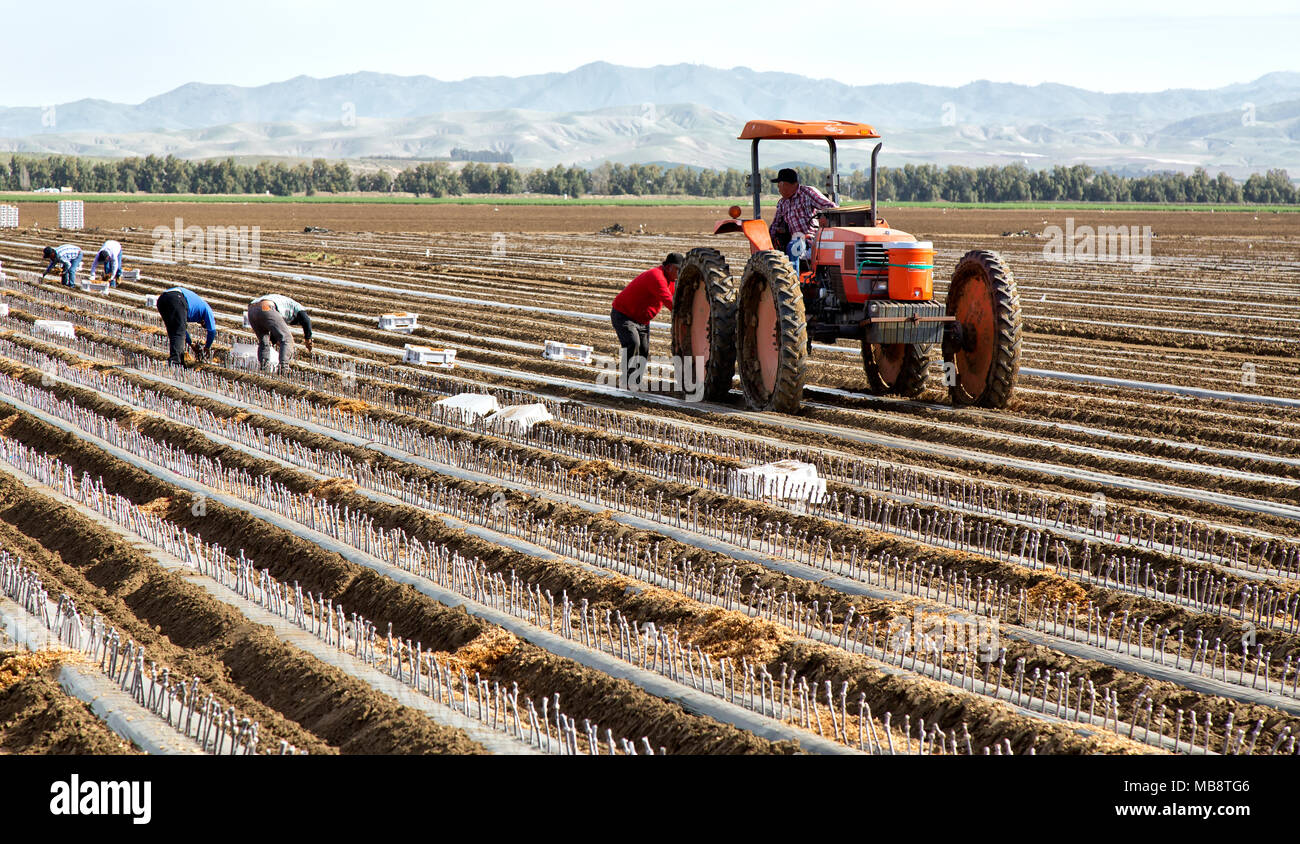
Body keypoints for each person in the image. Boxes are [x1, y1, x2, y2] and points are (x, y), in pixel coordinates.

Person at [610, 252, 682, 390]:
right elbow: (669, 301)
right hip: (624, 315)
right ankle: (626, 382)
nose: (679, 272)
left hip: (642, 320)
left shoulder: (671, 281)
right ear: (669, 267)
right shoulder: (657, 276)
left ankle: (635, 383)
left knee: (643, 350)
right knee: (633, 344)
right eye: (678, 269)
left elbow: (676, 299)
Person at [768, 168, 837, 265]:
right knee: (793, 246)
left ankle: (794, 278)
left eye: (778, 185)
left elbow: (831, 207)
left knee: (793, 247)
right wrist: (767, 244)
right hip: (797, 239)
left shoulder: (808, 193)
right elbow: (775, 225)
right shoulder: (782, 203)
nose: (778, 189)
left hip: (813, 239)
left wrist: (824, 216)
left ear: (784, 184)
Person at [247, 293, 313, 372]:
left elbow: (273, 330)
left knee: (264, 341)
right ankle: (283, 368)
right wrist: (308, 338)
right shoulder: (298, 307)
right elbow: (306, 320)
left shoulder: (283, 305)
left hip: (252, 309)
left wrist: (276, 341)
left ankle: (264, 367)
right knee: (287, 339)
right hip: (266, 307)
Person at [155, 286, 216, 367]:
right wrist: (207, 347)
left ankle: (179, 361)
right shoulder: (207, 310)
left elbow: (182, 329)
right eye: (203, 324)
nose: (200, 323)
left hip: (162, 300)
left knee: (174, 330)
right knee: (177, 332)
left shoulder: (195, 310)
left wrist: (191, 343)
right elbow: (212, 331)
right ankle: (175, 362)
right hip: (176, 298)